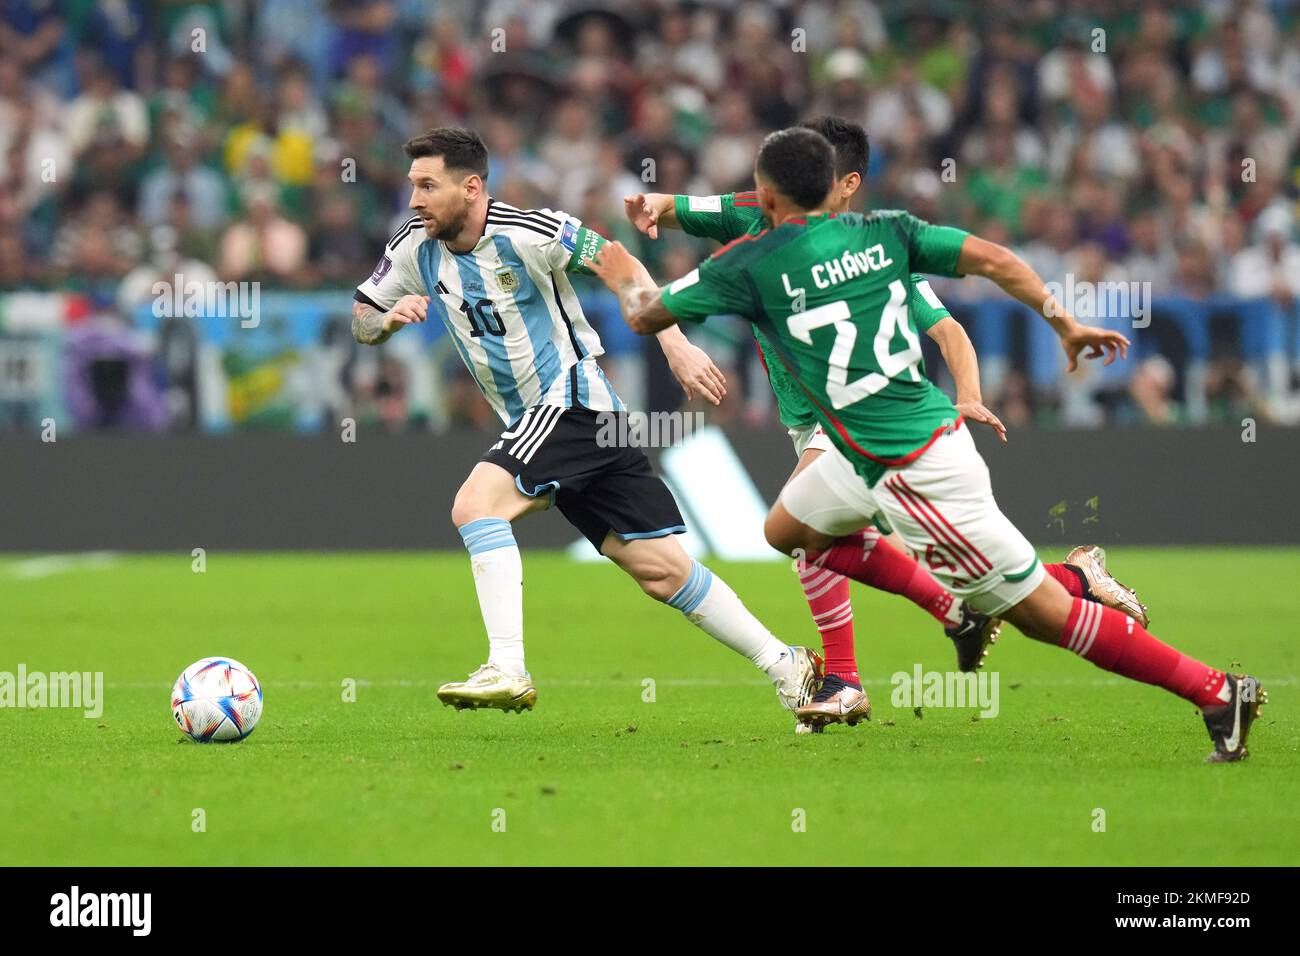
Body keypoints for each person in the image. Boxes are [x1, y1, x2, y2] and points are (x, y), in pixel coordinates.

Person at [591, 127, 1265, 761]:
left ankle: (1215, 691)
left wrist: (622, 270)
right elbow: (996, 259)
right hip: (874, 453)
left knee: (1041, 617)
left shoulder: (749, 263)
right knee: (787, 528)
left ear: (763, 197)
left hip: (914, 471)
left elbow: (647, 316)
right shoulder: (887, 232)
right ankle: (994, 596)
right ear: (837, 185)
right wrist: (1063, 322)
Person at [351, 127, 821, 717]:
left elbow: (619, 264)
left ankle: (507, 666)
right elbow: (362, 318)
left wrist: (673, 344)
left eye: (427, 186)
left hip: (570, 403)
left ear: (471, 188)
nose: (414, 200)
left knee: (476, 505)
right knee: (660, 570)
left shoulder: (529, 231)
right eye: (412, 186)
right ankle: (788, 664)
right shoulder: (413, 247)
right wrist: (389, 319)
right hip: (572, 426)